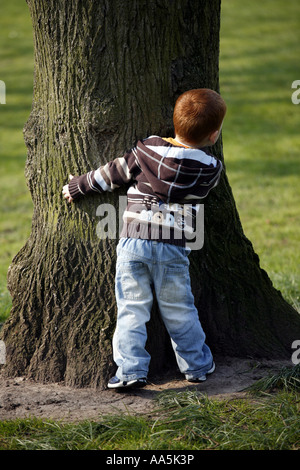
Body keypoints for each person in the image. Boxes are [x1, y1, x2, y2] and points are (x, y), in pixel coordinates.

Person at [62, 88, 226, 389]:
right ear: (213, 136)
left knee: (132, 309)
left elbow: (113, 173)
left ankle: (130, 371)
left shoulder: (147, 149)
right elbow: (200, 193)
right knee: (179, 309)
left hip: (134, 242)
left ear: (173, 122)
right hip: (173, 248)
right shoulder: (210, 169)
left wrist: (78, 185)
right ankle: (197, 366)